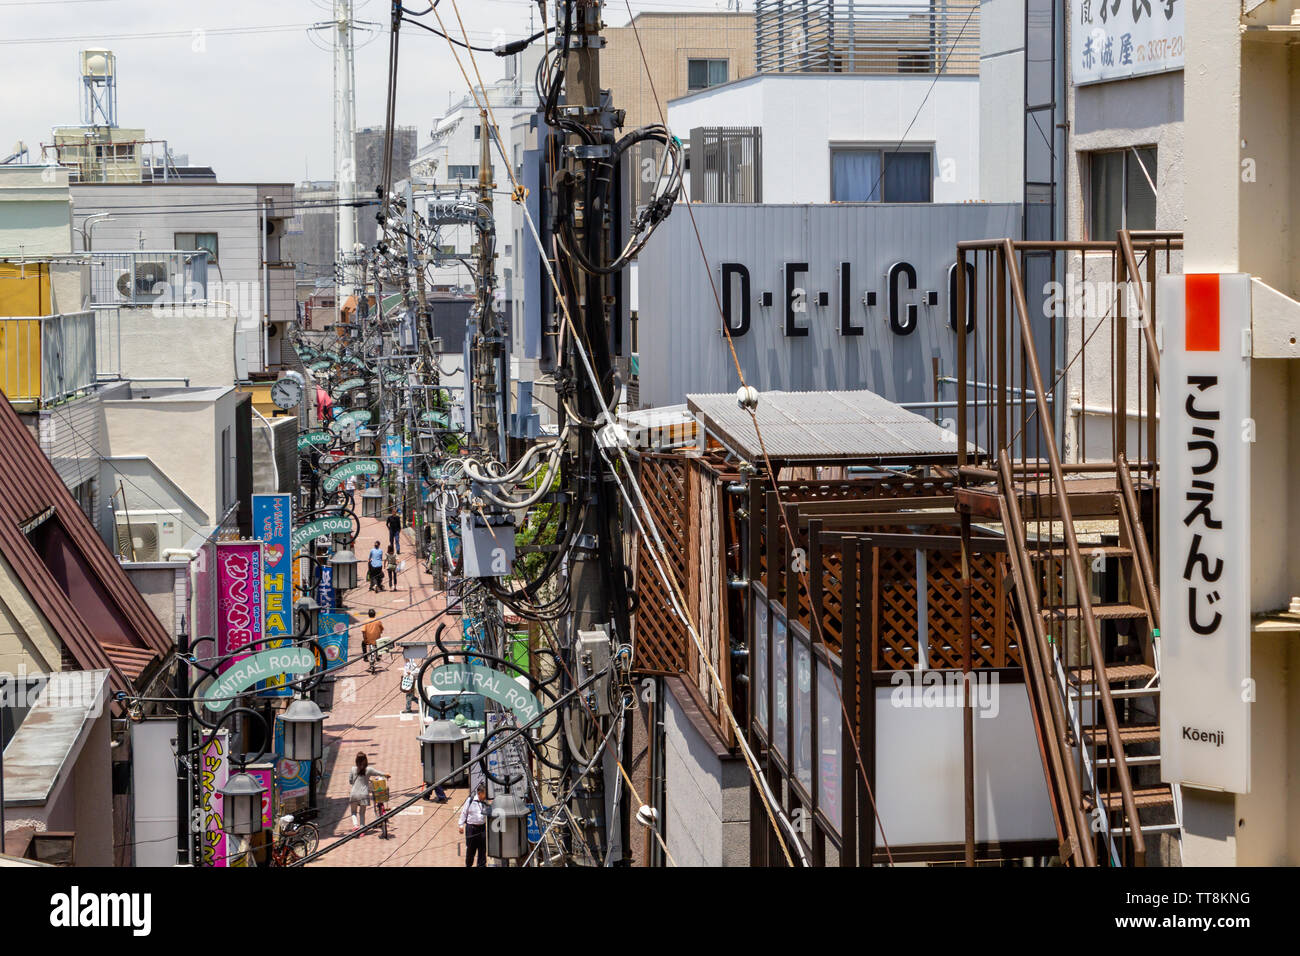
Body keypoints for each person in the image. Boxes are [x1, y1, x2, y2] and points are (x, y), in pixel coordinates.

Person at [348, 752, 390, 832]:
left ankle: (356, 825)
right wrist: (386, 775)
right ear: (366, 760)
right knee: (362, 813)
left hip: (353, 794)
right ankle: (362, 829)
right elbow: (379, 773)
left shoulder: (353, 769)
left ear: (356, 760)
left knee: (353, 812)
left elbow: (350, 781)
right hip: (364, 794)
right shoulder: (369, 770)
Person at [458, 783, 490, 867]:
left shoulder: (485, 801)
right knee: (470, 850)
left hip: (482, 828)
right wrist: (461, 825)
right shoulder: (470, 800)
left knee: (482, 850)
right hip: (471, 829)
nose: (485, 796)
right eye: (484, 794)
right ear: (479, 793)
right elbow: (464, 813)